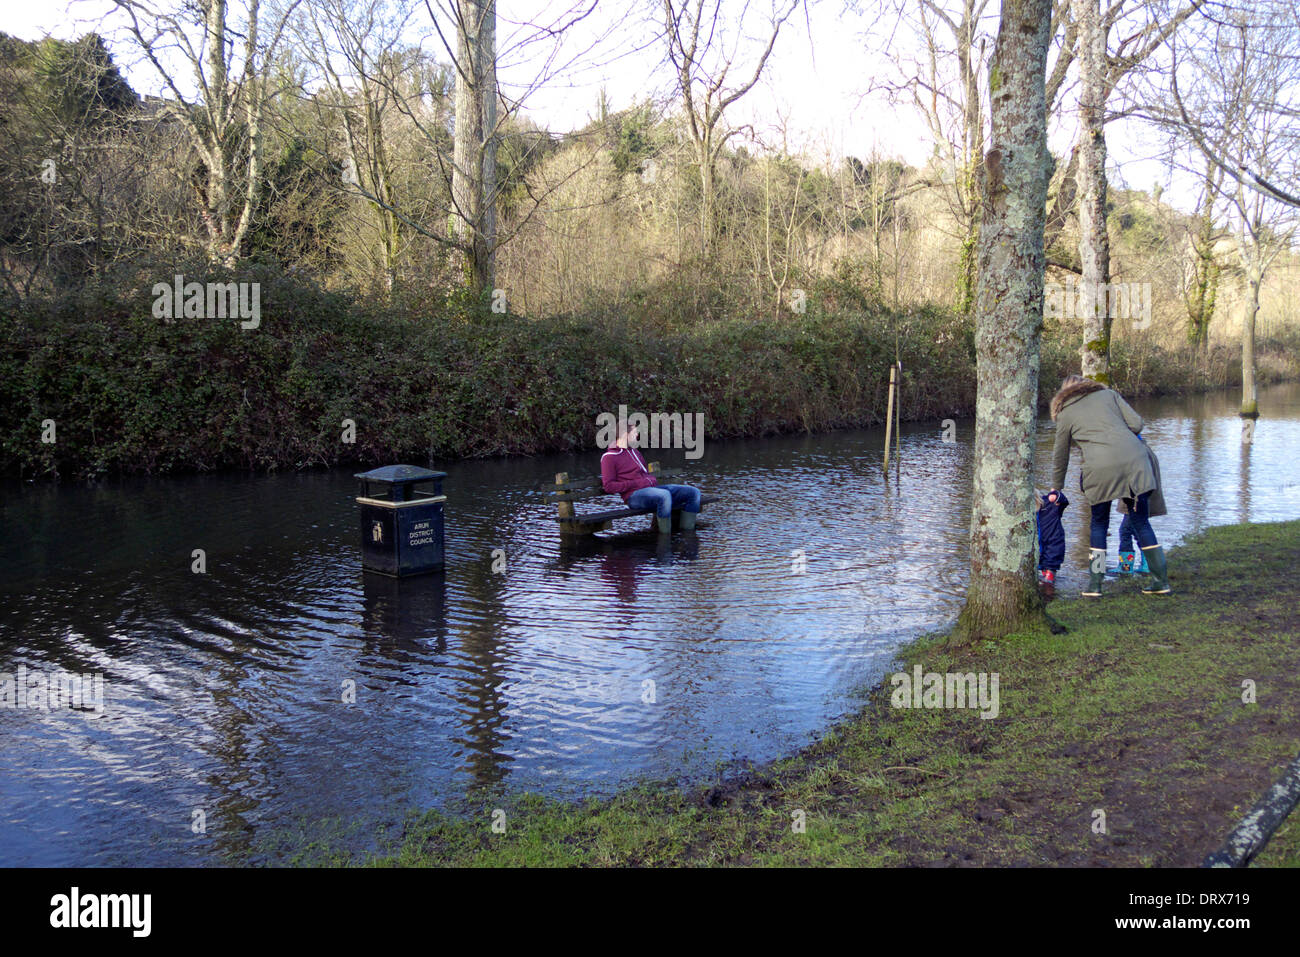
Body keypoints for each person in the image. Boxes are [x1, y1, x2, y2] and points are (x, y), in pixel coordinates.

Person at [1049, 374, 1170, 596]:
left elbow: (1060, 454)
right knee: (1141, 522)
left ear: (1064, 392)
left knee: (1098, 524)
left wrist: (1057, 487)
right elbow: (1137, 424)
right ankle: (1160, 581)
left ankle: (1095, 585)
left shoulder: (1065, 413)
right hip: (1136, 462)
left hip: (1099, 469)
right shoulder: (1109, 395)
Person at [600, 423, 702, 534]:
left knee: (693, 492)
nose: (637, 435)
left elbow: (646, 474)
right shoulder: (609, 457)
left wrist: (649, 480)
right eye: (634, 433)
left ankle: (687, 535)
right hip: (633, 497)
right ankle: (665, 540)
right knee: (664, 496)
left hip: (652, 490)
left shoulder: (635, 452)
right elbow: (608, 486)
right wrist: (637, 483)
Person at [1036, 489, 1068, 590]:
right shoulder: (1026, 514)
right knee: (1043, 568)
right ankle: (1047, 584)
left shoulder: (1049, 505)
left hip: (1053, 542)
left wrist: (1055, 494)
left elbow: (1063, 501)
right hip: (1040, 546)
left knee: (1050, 572)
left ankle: (1049, 586)